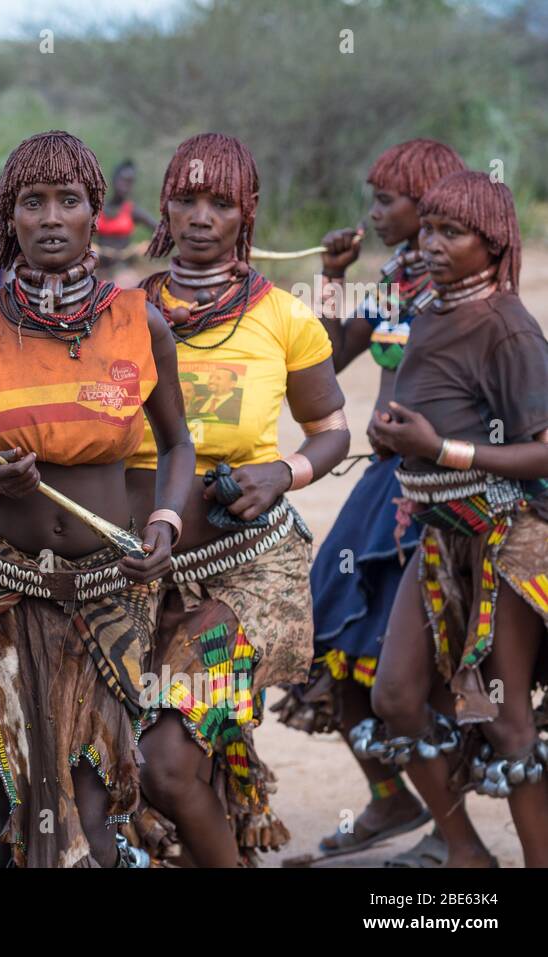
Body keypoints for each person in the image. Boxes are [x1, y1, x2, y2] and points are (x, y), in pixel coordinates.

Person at [0, 130, 195, 867]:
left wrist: (165, 523)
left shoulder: (138, 320)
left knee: (88, 814)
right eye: (32, 202)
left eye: (69, 201)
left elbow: (177, 444)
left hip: (107, 596)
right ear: (7, 219)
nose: (51, 217)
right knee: (3, 802)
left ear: (94, 213)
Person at [128, 133, 350, 866]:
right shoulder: (121, 315)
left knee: (164, 760)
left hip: (248, 570)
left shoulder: (285, 316)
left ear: (245, 211)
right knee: (150, 758)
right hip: (137, 569)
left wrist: (282, 474)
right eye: (185, 199)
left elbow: (331, 431)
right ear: (163, 205)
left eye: (218, 202)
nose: (199, 216)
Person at [274, 139, 466, 866]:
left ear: (434, 204)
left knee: (419, 672)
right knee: (329, 644)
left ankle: (454, 836)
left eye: (387, 199)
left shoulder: (468, 293)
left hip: (436, 494)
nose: (375, 212)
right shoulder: (396, 282)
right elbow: (323, 356)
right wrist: (331, 275)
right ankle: (389, 798)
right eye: (374, 197)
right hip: (380, 492)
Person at [356, 170, 548, 869]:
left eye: (452, 233)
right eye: (429, 228)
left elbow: (545, 451)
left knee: (507, 716)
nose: (431, 244)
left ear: (493, 245)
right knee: (397, 694)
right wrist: (396, 438)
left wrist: (440, 447)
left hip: (509, 539)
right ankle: (464, 849)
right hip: (442, 535)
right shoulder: (433, 307)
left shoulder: (508, 328)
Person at [94, 159, 155, 284]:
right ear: (114, 179)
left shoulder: (132, 210)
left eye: (130, 182)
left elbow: (161, 231)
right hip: (97, 268)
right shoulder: (97, 209)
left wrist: (146, 246)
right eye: (123, 180)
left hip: (124, 270)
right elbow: (76, 232)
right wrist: (88, 247)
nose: (125, 186)